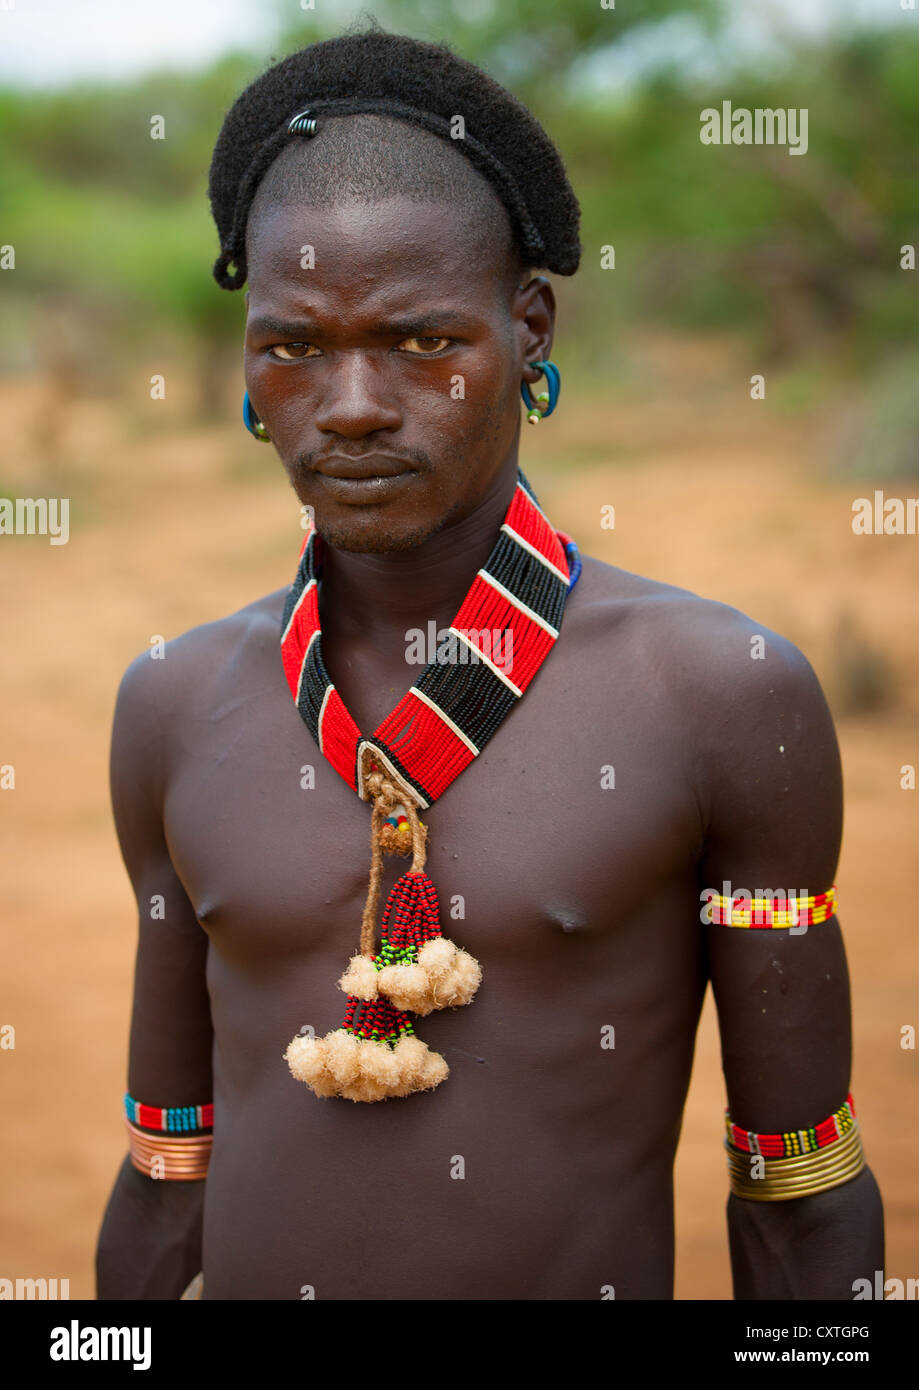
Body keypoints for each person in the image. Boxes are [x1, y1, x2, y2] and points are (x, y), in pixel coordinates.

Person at [96, 24, 883, 1300]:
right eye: (294, 346)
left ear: (527, 332)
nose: (350, 403)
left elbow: (798, 1200)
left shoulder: (721, 695)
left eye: (419, 341)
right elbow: (161, 1175)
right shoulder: (173, 704)